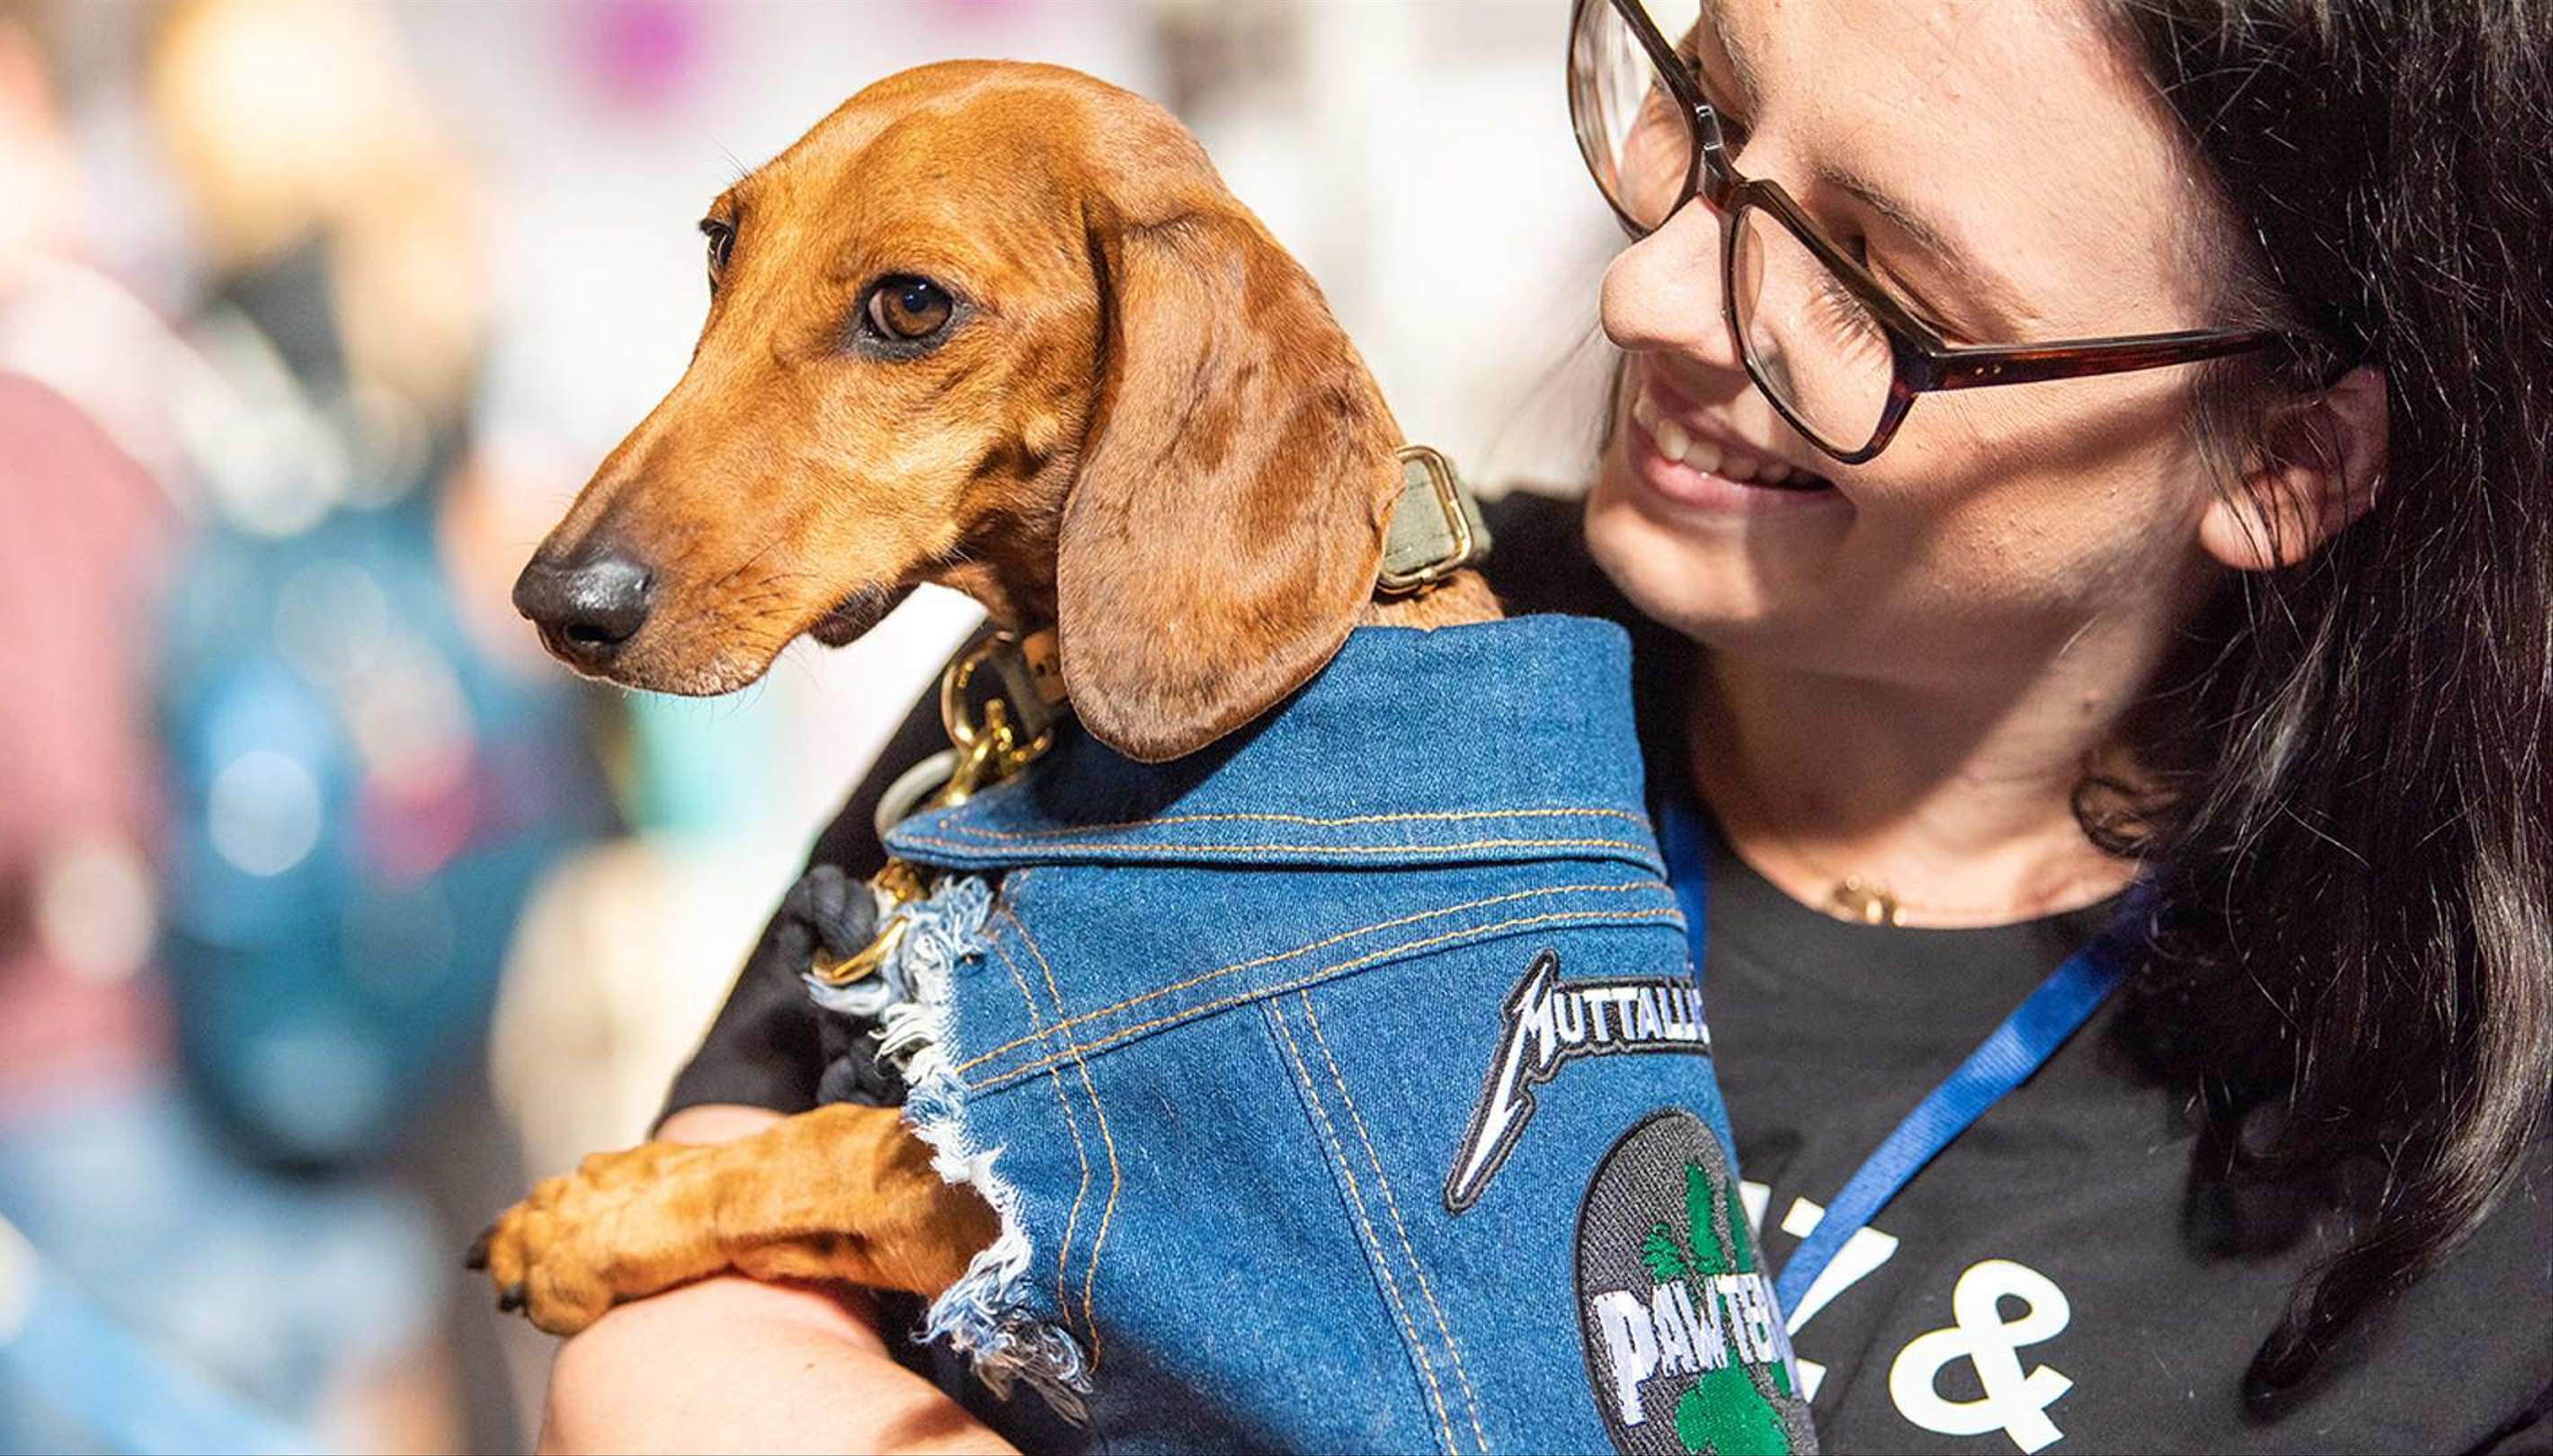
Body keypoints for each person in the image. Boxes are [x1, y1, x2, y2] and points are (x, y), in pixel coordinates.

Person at [536, 0, 2553, 1448]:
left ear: (2285, 457)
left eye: (1865, 283)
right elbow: (662, 1342)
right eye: (1703, 115)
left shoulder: (2458, 1223)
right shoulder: (1173, 664)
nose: (1651, 304)